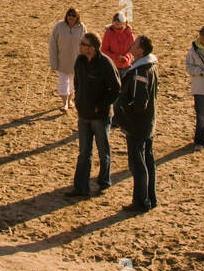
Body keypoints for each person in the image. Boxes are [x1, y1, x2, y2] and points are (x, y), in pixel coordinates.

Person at [67, 33, 121, 197]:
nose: (80, 45)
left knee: (103, 150)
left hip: (100, 116)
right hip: (83, 114)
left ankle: (104, 181)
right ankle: (81, 187)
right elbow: (77, 81)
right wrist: (78, 98)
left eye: (83, 44)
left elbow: (116, 89)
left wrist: (101, 106)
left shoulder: (105, 63)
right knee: (84, 152)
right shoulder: (80, 61)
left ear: (92, 48)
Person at [115, 35, 158, 213]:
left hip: (138, 125)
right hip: (148, 123)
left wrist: (125, 112)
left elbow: (140, 102)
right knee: (148, 160)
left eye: (134, 44)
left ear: (141, 50)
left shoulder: (140, 72)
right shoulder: (151, 67)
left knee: (138, 163)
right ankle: (150, 198)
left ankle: (141, 201)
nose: (131, 45)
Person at [49, 8, 87, 113]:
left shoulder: (82, 28)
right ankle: (65, 103)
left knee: (73, 83)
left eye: (74, 15)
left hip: (76, 61)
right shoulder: (59, 27)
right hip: (62, 60)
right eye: (69, 15)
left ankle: (69, 101)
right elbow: (53, 45)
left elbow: (85, 44)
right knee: (63, 82)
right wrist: (53, 61)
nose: (71, 17)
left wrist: (85, 60)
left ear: (77, 17)